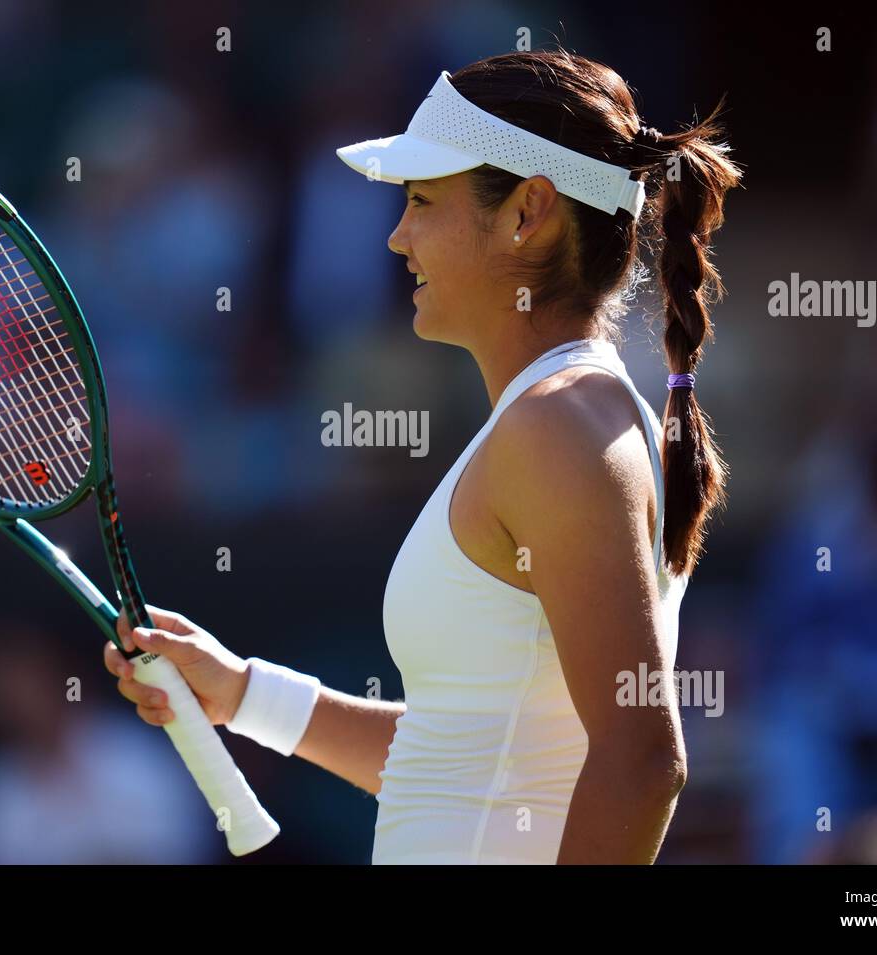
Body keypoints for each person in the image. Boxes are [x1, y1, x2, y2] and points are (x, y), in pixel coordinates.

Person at [104, 48, 740, 864]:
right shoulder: (562, 419)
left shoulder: (561, 425)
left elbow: (644, 762)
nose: (399, 237)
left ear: (526, 212)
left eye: (423, 201)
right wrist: (244, 692)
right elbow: (457, 760)